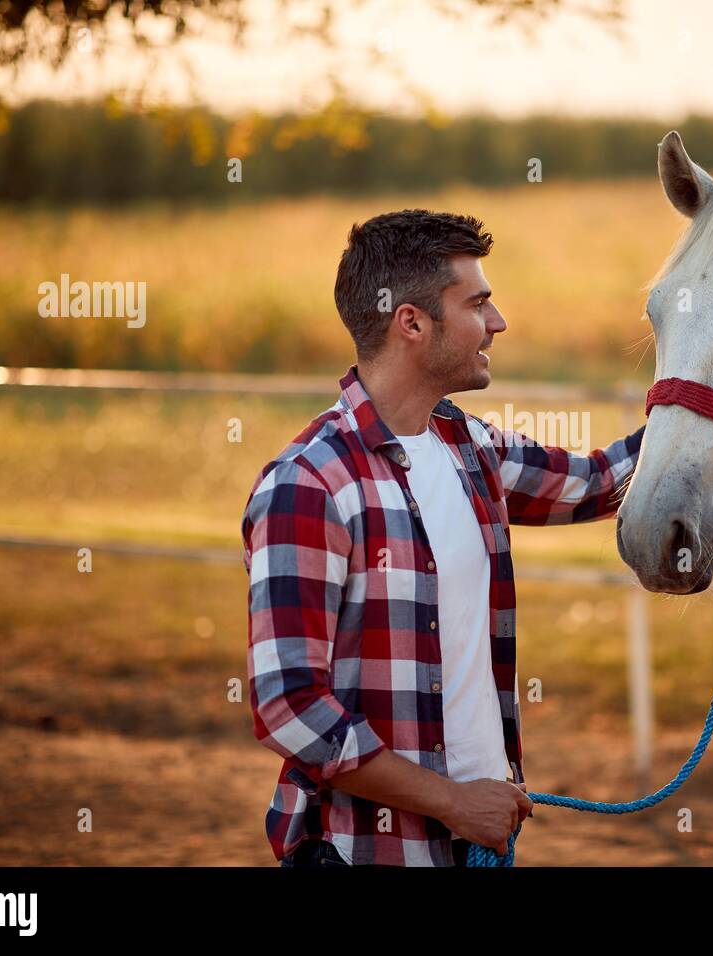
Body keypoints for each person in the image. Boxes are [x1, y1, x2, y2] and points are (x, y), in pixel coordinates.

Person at [242, 209, 644, 866]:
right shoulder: (310, 484)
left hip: (479, 845)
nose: (498, 322)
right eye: (478, 303)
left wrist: (703, 412)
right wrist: (452, 801)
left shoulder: (471, 447)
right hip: (366, 854)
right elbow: (290, 707)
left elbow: (599, 482)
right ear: (411, 322)